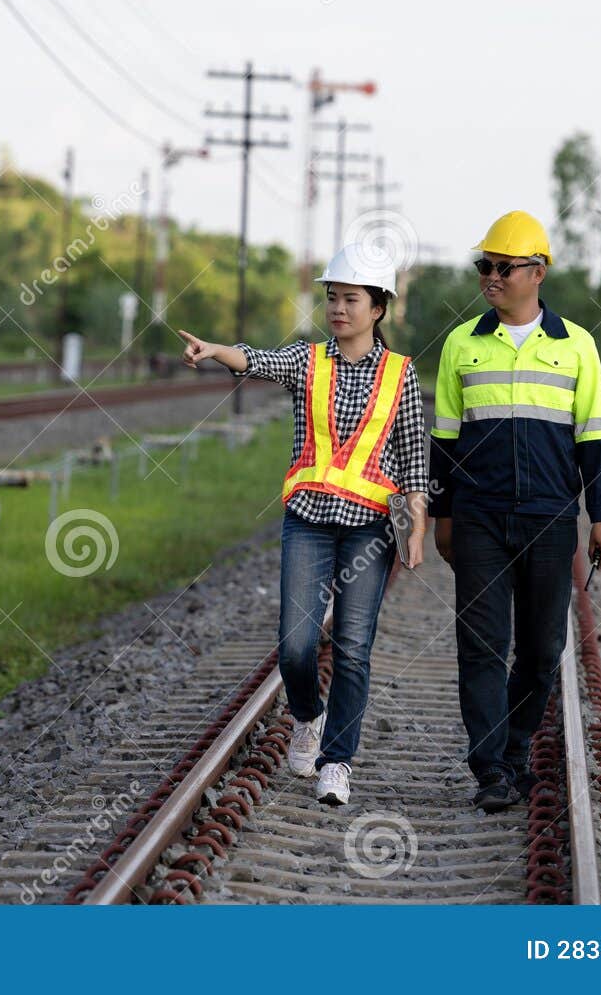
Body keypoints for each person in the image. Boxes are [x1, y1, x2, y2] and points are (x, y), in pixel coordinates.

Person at [177, 243, 428, 806]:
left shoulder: (400, 376)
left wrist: (416, 526)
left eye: (351, 299)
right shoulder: (308, 361)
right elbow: (259, 360)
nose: (338, 308)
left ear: (378, 308)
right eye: (333, 297)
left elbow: (414, 456)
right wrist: (218, 350)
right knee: (295, 646)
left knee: (353, 647)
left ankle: (337, 762)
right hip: (308, 521)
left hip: (368, 529)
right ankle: (308, 718)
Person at [428, 211, 601, 813]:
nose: (489, 276)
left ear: (536, 273)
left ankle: (513, 750)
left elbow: (595, 436)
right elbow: (443, 441)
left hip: (548, 518)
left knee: (540, 650)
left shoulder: (576, 346)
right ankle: (489, 768)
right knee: (481, 645)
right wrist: (443, 515)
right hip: (480, 515)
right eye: (483, 265)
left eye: (501, 267)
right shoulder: (463, 343)